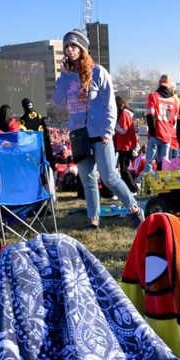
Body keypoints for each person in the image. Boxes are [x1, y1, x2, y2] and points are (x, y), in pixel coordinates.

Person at [52, 28, 143, 230]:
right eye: (67, 46)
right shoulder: (67, 77)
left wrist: (108, 131)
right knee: (88, 179)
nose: (70, 50)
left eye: (74, 45)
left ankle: (135, 210)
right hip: (78, 135)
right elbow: (58, 101)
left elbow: (110, 104)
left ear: (82, 48)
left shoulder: (98, 72)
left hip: (100, 134)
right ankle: (93, 220)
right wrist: (64, 76)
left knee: (109, 176)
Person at [144, 75, 180, 170]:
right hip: (167, 136)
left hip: (155, 134)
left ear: (159, 84)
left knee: (149, 165)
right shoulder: (174, 100)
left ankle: (148, 180)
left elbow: (150, 115)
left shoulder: (153, 96)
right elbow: (174, 120)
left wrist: (152, 133)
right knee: (164, 166)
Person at [113, 95, 139, 193]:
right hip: (126, 144)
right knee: (124, 169)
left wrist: (114, 125)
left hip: (125, 145)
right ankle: (130, 188)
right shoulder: (126, 113)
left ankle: (133, 189)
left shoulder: (124, 113)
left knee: (123, 169)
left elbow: (123, 130)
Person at [19, 98, 54, 162]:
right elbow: (46, 132)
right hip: (43, 147)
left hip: (32, 150)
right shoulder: (39, 116)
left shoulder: (22, 120)